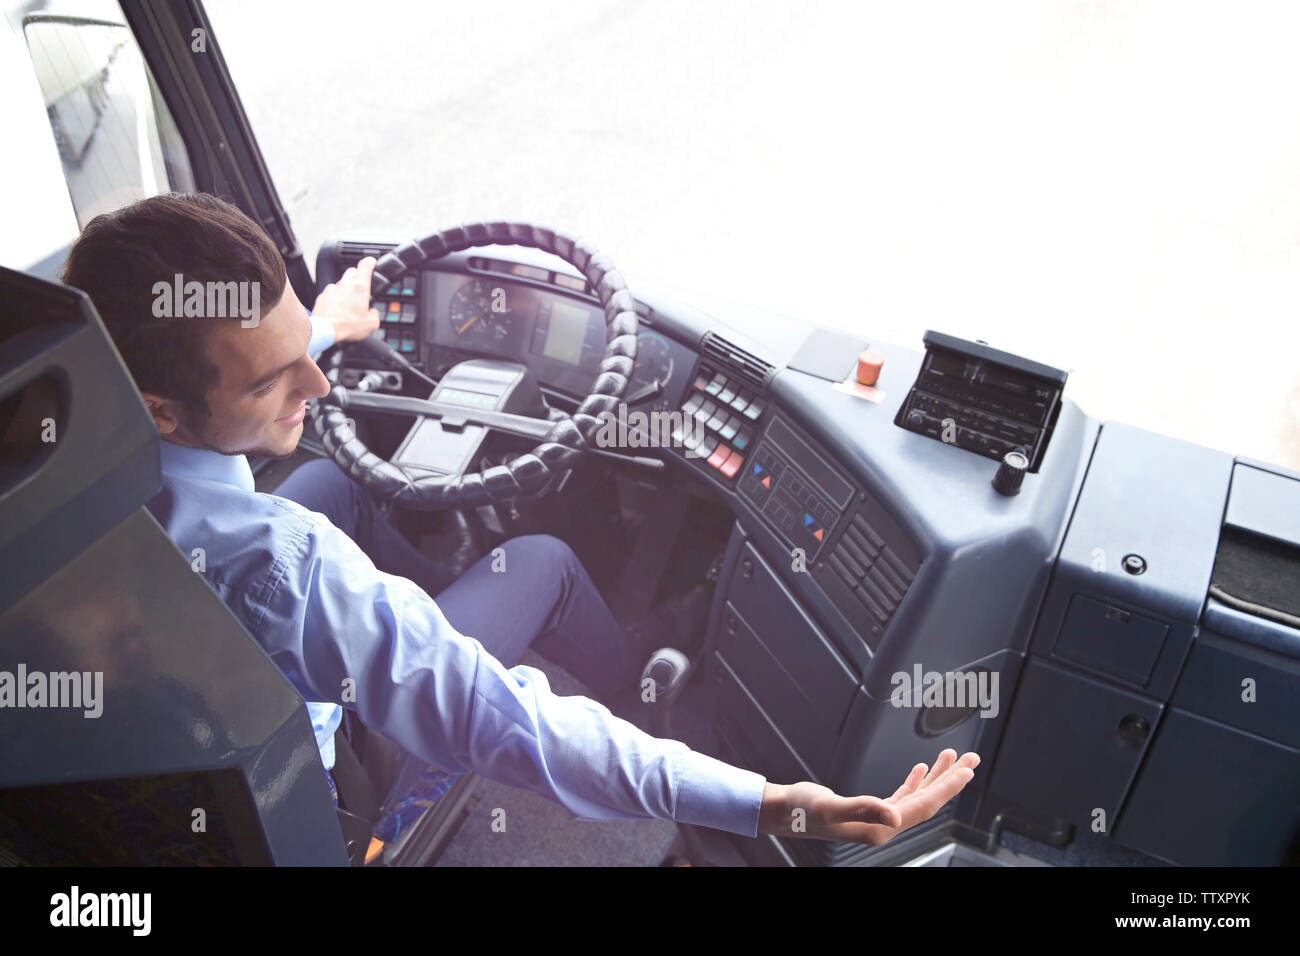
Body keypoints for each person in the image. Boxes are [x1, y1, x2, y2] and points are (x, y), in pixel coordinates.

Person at [61, 192, 980, 853]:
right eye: (273, 380)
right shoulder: (279, 567)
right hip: (309, 791)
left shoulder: (50, 453)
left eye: (303, 344)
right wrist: (773, 803)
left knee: (333, 485)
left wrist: (323, 328)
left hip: (167, 759)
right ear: (165, 412)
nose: (320, 384)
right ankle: (651, 685)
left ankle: (405, 620)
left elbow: (263, 374)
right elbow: (506, 719)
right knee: (537, 559)